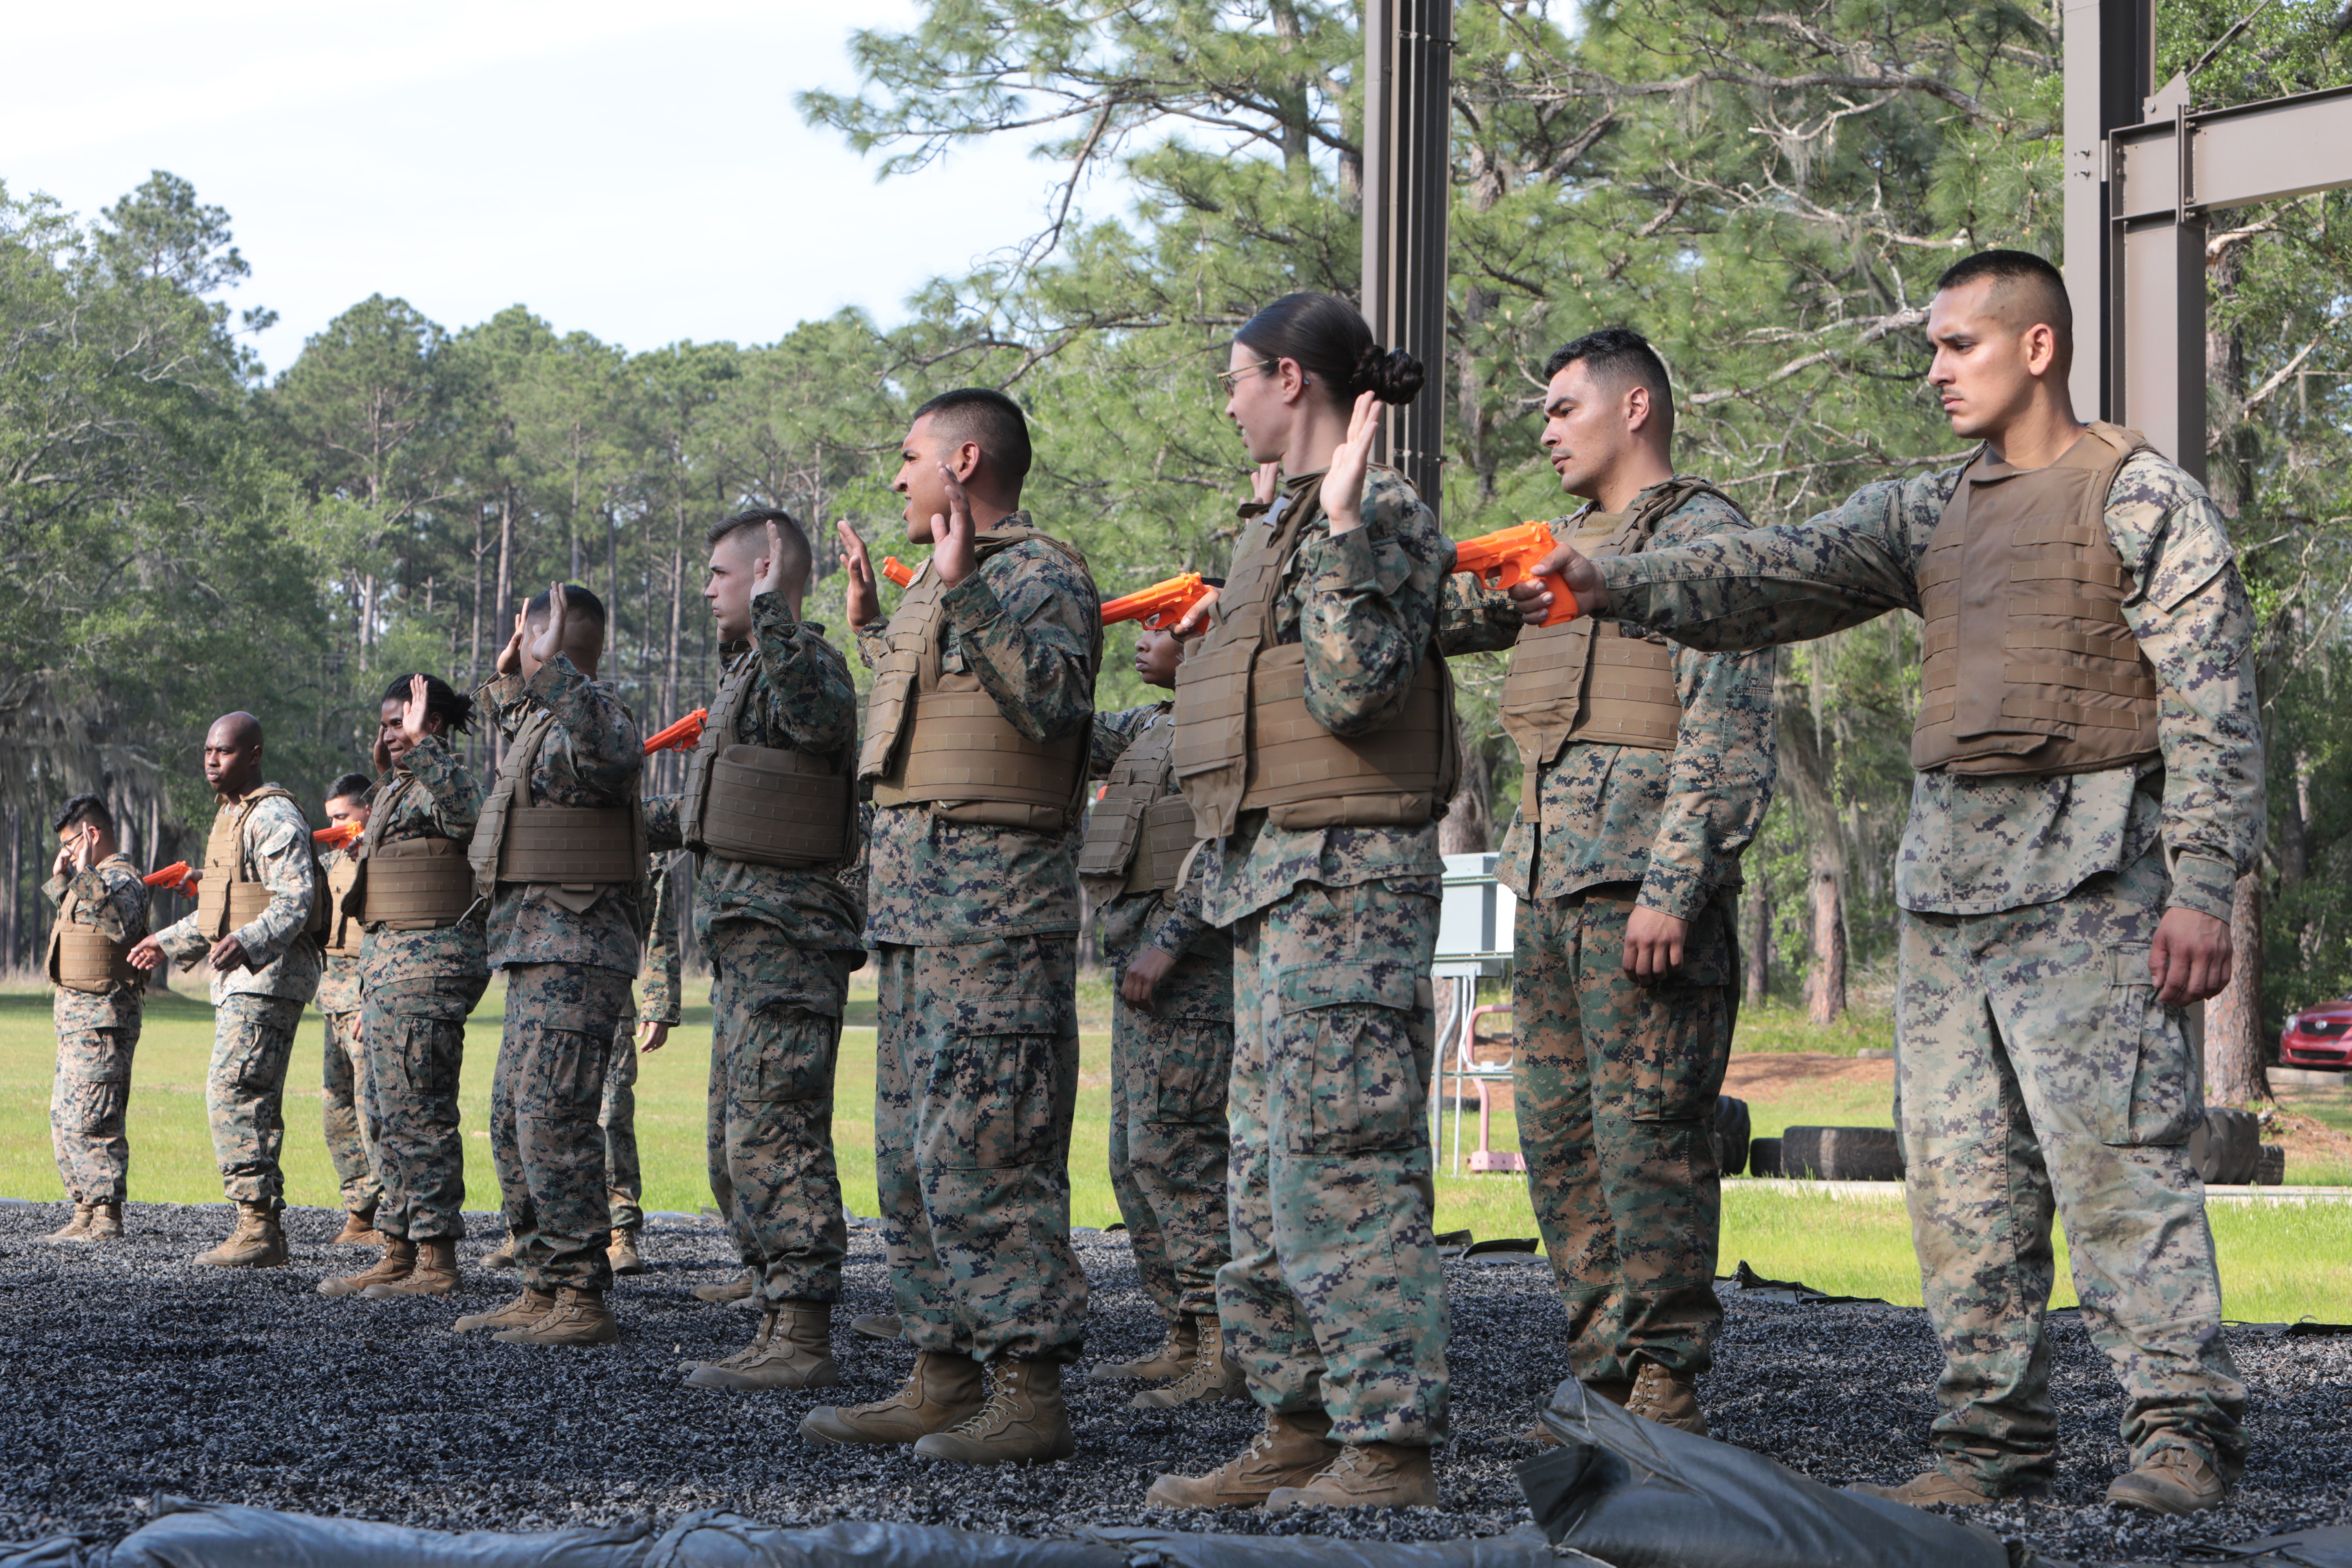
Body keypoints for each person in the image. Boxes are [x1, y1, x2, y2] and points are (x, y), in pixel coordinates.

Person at [1533, 250, 2258, 1516]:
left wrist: (2198, 884)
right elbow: (1773, 571)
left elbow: (2210, 702)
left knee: (2114, 1169)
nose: (1930, 371)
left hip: (2089, 881)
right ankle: (1987, 1444)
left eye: (1955, 347)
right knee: (1958, 1186)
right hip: (1944, 891)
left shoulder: (2137, 498)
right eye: (1927, 349)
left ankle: (2176, 1432)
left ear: (2033, 349)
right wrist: (1618, 580)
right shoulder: (1926, 510)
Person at [1435, 328, 1776, 1436]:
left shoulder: (1701, 540)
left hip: (1638, 896)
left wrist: (1674, 889)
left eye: (1562, 407)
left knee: (1648, 1138)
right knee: (1561, 1139)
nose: (1544, 429)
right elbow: (1432, 618)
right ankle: (1600, 1373)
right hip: (1544, 891)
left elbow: (1725, 731)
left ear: (1634, 410)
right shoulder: (1547, 555)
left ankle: (1665, 1380)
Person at [1148, 292, 1455, 1512]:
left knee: (1347, 1166)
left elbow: (1360, 690)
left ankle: (1387, 1445)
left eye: (1236, 380)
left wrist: (1336, 530)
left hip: (1352, 888)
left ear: (1291, 380)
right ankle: (1295, 1423)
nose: (1227, 403)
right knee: (1266, 1175)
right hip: (1272, 888)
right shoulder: (1269, 530)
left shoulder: (1376, 511)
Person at [801, 388, 1100, 1463]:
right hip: (920, 919)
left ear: (964, 462)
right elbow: (937, 710)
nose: (897, 478)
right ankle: (942, 1372)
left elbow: (1057, 704)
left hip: (997, 922)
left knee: (991, 1152)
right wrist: (877, 626)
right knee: (913, 1156)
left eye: (910, 456)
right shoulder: (940, 587)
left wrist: (964, 589)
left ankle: (1027, 1389)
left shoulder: (1039, 573)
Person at [642, 508, 867, 1391]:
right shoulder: (746, 679)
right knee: (744, 1138)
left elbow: (820, 721)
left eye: (722, 575)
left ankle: (803, 1333)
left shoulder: (804, 663)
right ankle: (777, 1314)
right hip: (748, 942)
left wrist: (776, 611)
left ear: (768, 573)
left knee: (780, 1134)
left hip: (790, 940)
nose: (707, 590)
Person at [456, 584, 646, 1346]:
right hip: (536, 950)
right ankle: (543, 1279)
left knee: (552, 1121)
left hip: (578, 950)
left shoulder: (599, 713)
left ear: (557, 645)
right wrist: (513, 680)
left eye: (531, 637)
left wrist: (554, 669)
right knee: (511, 1119)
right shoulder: (546, 720)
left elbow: (614, 752)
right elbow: (534, 728)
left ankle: (582, 1294)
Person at [1079, 614, 1239, 1408]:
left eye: (1160, 629)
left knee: (1179, 1151)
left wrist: (1171, 941)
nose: (1144, 640)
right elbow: (1062, 727)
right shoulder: (1150, 725)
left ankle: (1223, 1342)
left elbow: (1225, 843)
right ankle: (1180, 1329)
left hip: (1192, 971)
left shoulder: (1223, 720)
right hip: (1138, 963)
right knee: (1133, 1156)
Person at [128, 713, 324, 1268]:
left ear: (255, 754)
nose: (213, 761)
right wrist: (165, 943)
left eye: (227, 752)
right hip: (245, 978)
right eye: (209, 751)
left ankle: (258, 1227)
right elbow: (217, 913)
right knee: (241, 1091)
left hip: (271, 977)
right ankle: (258, 1226)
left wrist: (250, 941)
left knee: (235, 1091)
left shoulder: (273, 815)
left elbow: (296, 900)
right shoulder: (231, 818)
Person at [317, 674, 488, 1302]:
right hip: (389, 971)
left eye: (399, 723)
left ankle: (437, 1260)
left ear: (431, 725)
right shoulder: (394, 793)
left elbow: (472, 818)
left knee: (421, 1112)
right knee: (385, 1114)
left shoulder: (446, 780)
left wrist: (423, 748)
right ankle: (397, 1246)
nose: (387, 736)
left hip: (433, 966)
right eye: (386, 725)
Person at [41, 794, 152, 1244]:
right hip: (75, 1022)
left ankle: (107, 1217)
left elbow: (120, 926)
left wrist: (82, 872)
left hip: (105, 1019)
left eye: (71, 843)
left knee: (95, 1118)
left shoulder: (124, 879)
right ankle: (84, 1208)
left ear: (92, 835)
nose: (66, 852)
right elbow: (77, 924)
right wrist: (62, 879)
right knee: (64, 1118)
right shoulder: (91, 880)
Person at [603, 853, 683, 1280]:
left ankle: (620, 1231)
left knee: (611, 1114)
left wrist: (658, 1002)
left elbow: (658, 928)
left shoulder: (632, 830)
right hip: (540, 989)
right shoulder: (536, 809)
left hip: (610, 990)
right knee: (527, 1114)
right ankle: (526, 1225)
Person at [316, 772, 384, 1247]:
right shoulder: (333, 861)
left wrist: (375, 998)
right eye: (331, 819)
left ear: (367, 812)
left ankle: (390, 1220)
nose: (336, 827)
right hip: (331, 998)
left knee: (373, 1112)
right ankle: (359, 1213)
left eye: (343, 817)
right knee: (336, 1110)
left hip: (369, 998)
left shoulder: (386, 858)